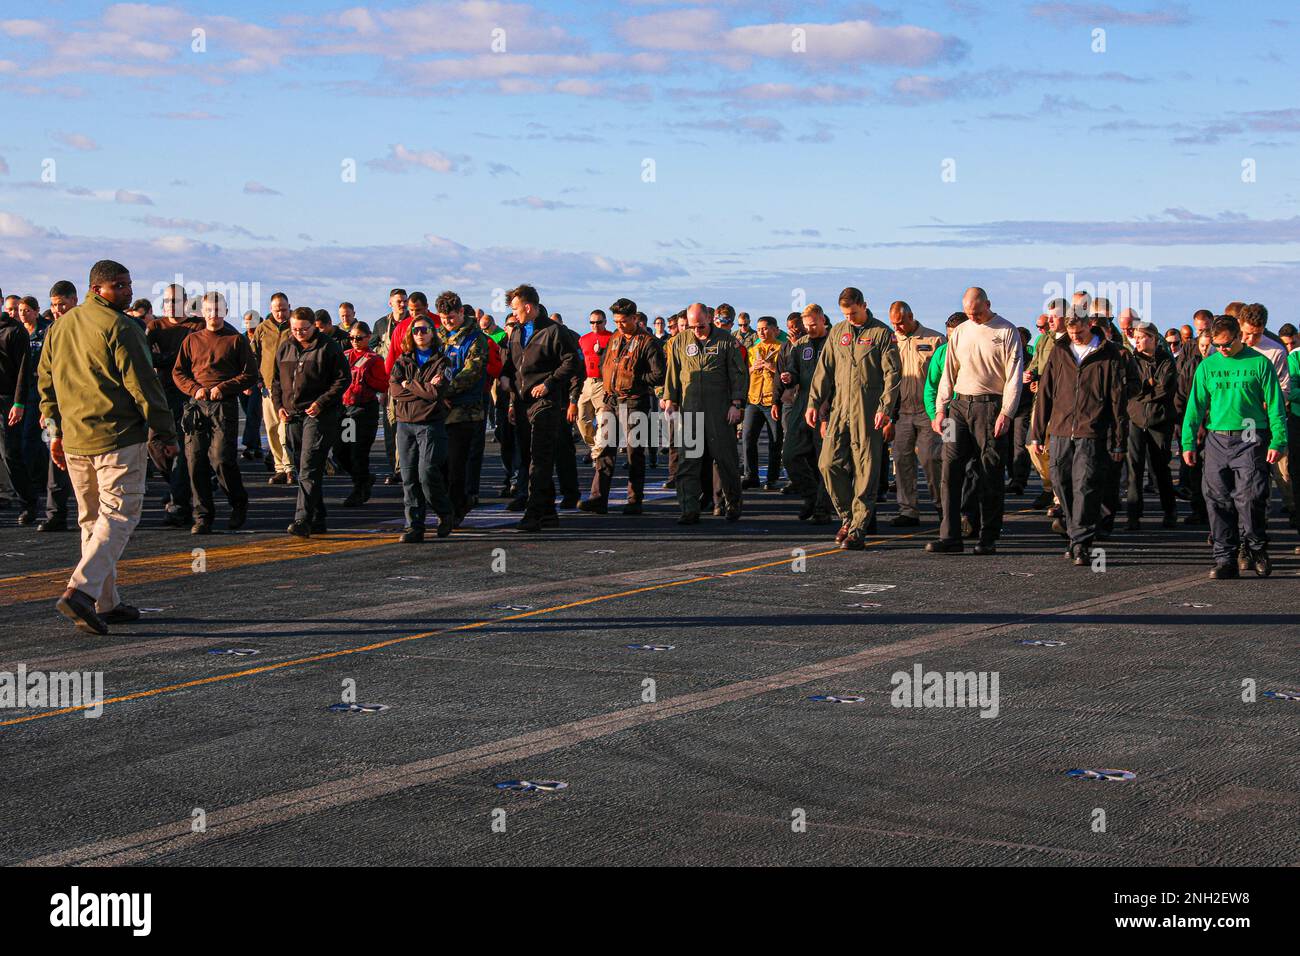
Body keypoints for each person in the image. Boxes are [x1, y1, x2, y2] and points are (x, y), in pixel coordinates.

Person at [38, 259, 178, 634]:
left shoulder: (59, 327)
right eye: (120, 285)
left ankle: (105, 602)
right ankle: (81, 592)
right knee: (118, 515)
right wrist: (165, 433)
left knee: (91, 520)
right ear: (97, 288)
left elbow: (46, 385)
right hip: (117, 438)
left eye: (129, 284)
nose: (128, 291)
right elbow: (144, 386)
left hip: (75, 439)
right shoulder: (122, 327)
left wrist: (54, 432)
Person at [1182, 314, 1287, 578]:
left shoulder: (1259, 363)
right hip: (1217, 438)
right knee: (1217, 499)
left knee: (1250, 496)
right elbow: (1195, 407)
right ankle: (1225, 558)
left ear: (1239, 336)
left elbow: (1275, 406)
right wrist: (1188, 441)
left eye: (1227, 344)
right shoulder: (1208, 366)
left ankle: (1255, 548)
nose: (1222, 350)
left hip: (1252, 434)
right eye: (1217, 345)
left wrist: (1278, 439)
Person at [1028, 308, 1128, 564]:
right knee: (1062, 483)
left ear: (1089, 325)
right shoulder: (1060, 351)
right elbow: (1045, 393)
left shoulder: (1109, 353)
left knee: (1085, 486)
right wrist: (1037, 433)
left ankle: (1081, 542)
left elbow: (1117, 401)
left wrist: (1118, 441)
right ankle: (1075, 532)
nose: (1076, 337)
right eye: (1071, 333)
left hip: (1091, 432)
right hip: (1060, 430)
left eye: (1080, 332)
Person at [928, 287, 1024, 555]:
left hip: (991, 407)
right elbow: (948, 372)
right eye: (970, 314)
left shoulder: (1006, 331)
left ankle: (988, 536)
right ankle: (950, 537)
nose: (975, 318)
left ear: (988, 304)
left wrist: (1007, 412)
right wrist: (940, 410)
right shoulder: (960, 331)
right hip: (958, 408)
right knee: (949, 469)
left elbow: (1015, 376)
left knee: (990, 472)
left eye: (978, 313)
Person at [806, 287, 901, 550]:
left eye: (854, 313)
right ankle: (847, 516)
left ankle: (859, 528)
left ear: (864, 306)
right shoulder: (837, 332)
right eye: (845, 314)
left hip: (868, 411)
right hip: (840, 409)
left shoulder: (882, 334)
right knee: (828, 463)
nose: (849, 318)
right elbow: (824, 369)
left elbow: (893, 375)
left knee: (865, 470)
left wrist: (886, 408)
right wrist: (814, 402)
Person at [171, 291, 258, 533]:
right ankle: (203, 516)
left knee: (221, 459)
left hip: (223, 405)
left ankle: (238, 503)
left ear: (226, 312)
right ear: (202, 312)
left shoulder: (235, 340)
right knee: (195, 460)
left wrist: (224, 387)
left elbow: (250, 374)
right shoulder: (192, 340)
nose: (214, 315)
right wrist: (194, 389)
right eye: (209, 310)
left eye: (218, 310)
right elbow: (178, 373)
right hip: (197, 406)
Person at [498, 284, 580, 532]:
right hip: (522, 402)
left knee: (540, 458)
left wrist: (549, 383)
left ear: (528, 307)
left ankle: (533, 513)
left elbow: (572, 362)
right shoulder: (516, 333)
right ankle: (548, 512)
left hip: (547, 402)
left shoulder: (554, 332)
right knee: (528, 457)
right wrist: (505, 381)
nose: (513, 315)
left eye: (515, 309)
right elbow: (512, 365)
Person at [663, 302, 746, 524]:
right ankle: (689, 508)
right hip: (690, 409)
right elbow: (673, 372)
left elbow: (738, 374)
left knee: (725, 459)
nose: (697, 330)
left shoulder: (726, 341)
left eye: (700, 326)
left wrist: (736, 404)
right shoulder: (680, 341)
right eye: (692, 326)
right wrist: (669, 399)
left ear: (709, 318)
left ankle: (732, 503)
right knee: (688, 461)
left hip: (719, 409)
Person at [582, 297, 665, 515]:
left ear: (635, 318)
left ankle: (634, 499)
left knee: (634, 453)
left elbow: (659, 375)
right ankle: (598, 498)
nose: (619, 325)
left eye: (623, 321)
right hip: (611, 398)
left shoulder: (648, 342)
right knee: (604, 449)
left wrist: (636, 379)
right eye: (616, 321)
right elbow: (604, 363)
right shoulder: (615, 338)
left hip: (635, 401)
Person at [272, 307, 349, 537]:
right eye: (294, 329)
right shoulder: (285, 346)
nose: (298, 333)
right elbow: (276, 380)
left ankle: (302, 519)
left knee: (309, 465)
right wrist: (279, 406)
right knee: (302, 467)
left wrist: (321, 402)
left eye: (303, 329)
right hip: (292, 414)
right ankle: (318, 517)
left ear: (313, 325)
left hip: (318, 414)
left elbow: (343, 379)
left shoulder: (328, 347)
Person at [389, 317, 455, 542]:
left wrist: (409, 384)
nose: (419, 333)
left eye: (424, 329)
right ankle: (414, 526)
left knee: (426, 473)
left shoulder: (443, 362)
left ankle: (444, 512)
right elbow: (395, 390)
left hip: (429, 424)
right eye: (415, 330)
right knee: (408, 477)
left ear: (432, 333)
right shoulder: (403, 360)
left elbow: (437, 393)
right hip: (405, 423)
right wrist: (421, 388)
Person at [146, 283, 202, 526]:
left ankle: (178, 503)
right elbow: (147, 356)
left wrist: (166, 360)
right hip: (161, 393)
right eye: (166, 301)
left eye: (175, 301)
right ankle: (178, 486)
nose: (170, 305)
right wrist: (168, 359)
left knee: (182, 446)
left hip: (188, 395)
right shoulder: (155, 326)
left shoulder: (195, 326)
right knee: (154, 444)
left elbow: (194, 359)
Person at [435, 292, 491, 525]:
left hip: (465, 409)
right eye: (443, 317)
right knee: (440, 464)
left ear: (460, 313)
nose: (447, 321)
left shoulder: (475, 338)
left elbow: (472, 371)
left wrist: (445, 392)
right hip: (438, 409)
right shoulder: (436, 337)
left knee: (458, 465)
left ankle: (457, 509)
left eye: (451, 316)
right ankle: (449, 505)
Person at [888, 300, 944, 526]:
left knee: (932, 459)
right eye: (894, 324)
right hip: (902, 412)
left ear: (911, 317)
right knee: (901, 461)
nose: (897, 328)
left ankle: (943, 506)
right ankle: (908, 510)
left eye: (901, 323)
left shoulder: (935, 340)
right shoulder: (891, 342)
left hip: (927, 412)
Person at [776, 303, 832, 522]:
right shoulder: (800, 345)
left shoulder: (834, 343)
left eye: (812, 325)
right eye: (806, 326)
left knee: (824, 462)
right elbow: (793, 369)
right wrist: (789, 376)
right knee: (790, 455)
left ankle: (822, 508)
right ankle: (810, 496)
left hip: (827, 407)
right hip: (802, 404)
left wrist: (828, 406)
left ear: (822, 320)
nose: (809, 329)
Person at [1238, 303, 1292, 524]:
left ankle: (1293, 513)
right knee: (1250, 473)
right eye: (1247, 333)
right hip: (1244, 423)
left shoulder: (1275, 351)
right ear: (1240, 325)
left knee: (1283, 473)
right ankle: (1255, 521)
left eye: (1257, 334)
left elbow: (1285, 389)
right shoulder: (1230, 349)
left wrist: (1264, 404)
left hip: (1270, 420)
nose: (1251, 339)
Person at [1125, 321, 1178, 530]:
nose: (1137, 341)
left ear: (1153, 339)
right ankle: (1133, 516)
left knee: (1160, 469)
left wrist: (1143, 390)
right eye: (1135, 337)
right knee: (1134, 469)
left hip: (1160, 421)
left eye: (1141, 337)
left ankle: (1170, 511)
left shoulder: (1166, 361)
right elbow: (1129, 388)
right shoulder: (1132, 360)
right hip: (1135, 419)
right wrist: (1147, 386)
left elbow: (1166, 388)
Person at [334, 320, 388, 506]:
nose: (355, 341)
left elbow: (382, 384)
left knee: (358, 452)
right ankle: (363, 478)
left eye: (359, 338)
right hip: (346, 410)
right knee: (341, 451)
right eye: (352, 338)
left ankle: (360, 488)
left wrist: (368, 381)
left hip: (363, 410)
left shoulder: (374, 359)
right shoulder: (345, 355)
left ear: (368, 337)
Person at [250, 293, 295, 484]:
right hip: (268, 388)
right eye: (277, 310)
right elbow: (253, 354)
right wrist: (256, 379)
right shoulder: (262, 328)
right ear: (271, 309)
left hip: (290, 388)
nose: (280, 313)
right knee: (272, 429)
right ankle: (280, 468)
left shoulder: (294, 327)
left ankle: (291, 467)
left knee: (287, 429)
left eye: (284, 309)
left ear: (289, 307)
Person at [0, 285, 34, 525]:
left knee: (10, 454)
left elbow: (24, 371)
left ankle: (29, 503)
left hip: (7, 400)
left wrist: (19, 402)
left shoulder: (15, 331)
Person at [742, 316, 784, 490]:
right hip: (754, 399)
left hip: (772, 400)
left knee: (775, 440)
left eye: (765, 328)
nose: (761, 332)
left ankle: (772, 478)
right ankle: (750, 476)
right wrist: (753, 368)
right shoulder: (753, 350)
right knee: (748, 437)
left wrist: (771, 367)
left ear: (775, 330)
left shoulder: (782, 349)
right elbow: (744, 372)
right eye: (759, 329)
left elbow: (785, 374)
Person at [373, 288, 408, 484]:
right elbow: (372, 349)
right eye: (398, 301)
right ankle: (393, 468)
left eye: (404, 301)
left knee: (405, 426)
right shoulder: (381, 324)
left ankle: (403, 467)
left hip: (406, 380)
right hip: (388, 381)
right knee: (390, 426)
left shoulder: (412, 323)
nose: (401, 305)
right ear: (390, 303)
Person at [575, 309, 612, 468]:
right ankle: (593, 447)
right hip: (587, 382)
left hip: (603, 382)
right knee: (582, 419)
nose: (595, 325)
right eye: (592, 322)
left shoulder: (612, 338)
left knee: (603, 419)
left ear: (605, 322)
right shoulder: (583, 339)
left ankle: (597, 453)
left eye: (598, 322)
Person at [239, 310, 264, 460]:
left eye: (252, 321)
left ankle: (249, 446)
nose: (249, 325)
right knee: (249, 413)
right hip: (242, 381)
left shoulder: (262, 338)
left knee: (253, 413)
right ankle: (257, 446)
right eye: (246, 321)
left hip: (258, 381)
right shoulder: (241, 338)